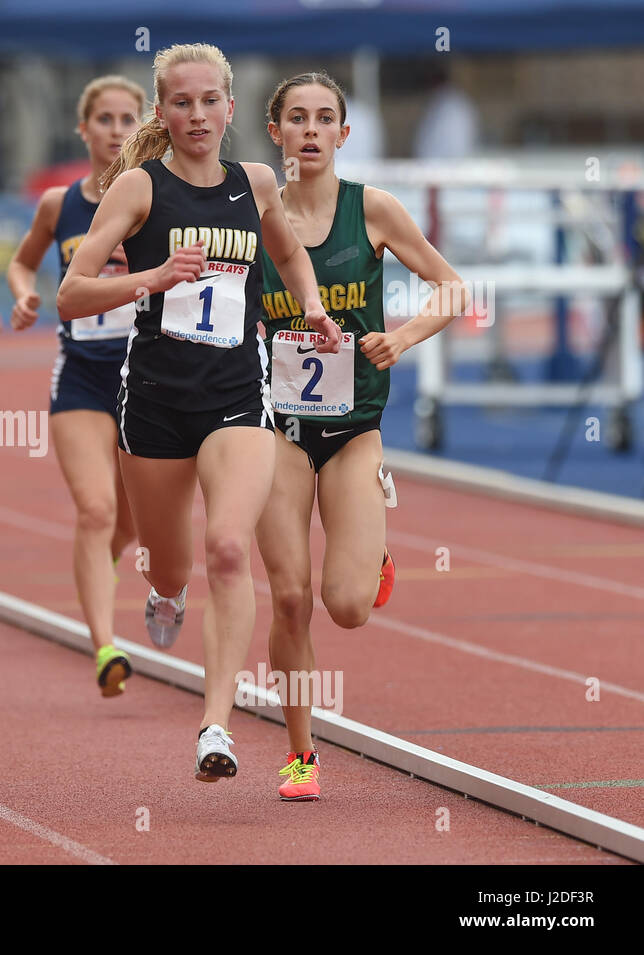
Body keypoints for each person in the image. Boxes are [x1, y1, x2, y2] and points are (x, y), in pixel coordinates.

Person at [57, 44, 340, 782]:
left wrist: (309, 305)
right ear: (163, 112)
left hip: (234, 398)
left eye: (210, 101)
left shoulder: (256, 183)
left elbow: (290, 253)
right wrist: (152, 276)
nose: (197, 115)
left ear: (232, 109)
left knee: (226, 548)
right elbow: (71, 292)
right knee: (173, 562)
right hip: (152, 403)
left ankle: (215, 722)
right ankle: (164, 591)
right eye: (181, 103)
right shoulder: (138, 191)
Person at [257, 72, 467, 800]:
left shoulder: (372, 209)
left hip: (353, 430)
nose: (310, 131)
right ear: (275, 132)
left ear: (344, 135)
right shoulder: (254, 217)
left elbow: (453, 287)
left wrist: (401, 336)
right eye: (297, 118)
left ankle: (372, 555)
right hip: (276, 428)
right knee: (290, 597)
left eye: (325, 119)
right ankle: (300, 753)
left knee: (345, 605)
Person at [7, 75, 144, 697]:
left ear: (142, 128)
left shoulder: (157, 199)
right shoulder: (58, 206)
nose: (116, 130)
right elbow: (20, 258)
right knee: (96, 509)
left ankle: (105, 565)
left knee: (132, 521)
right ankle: (104, 646)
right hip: (84, 376)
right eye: (105, 119)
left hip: (148, 377)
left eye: (126, 119)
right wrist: (23, 291)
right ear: (83, 128)